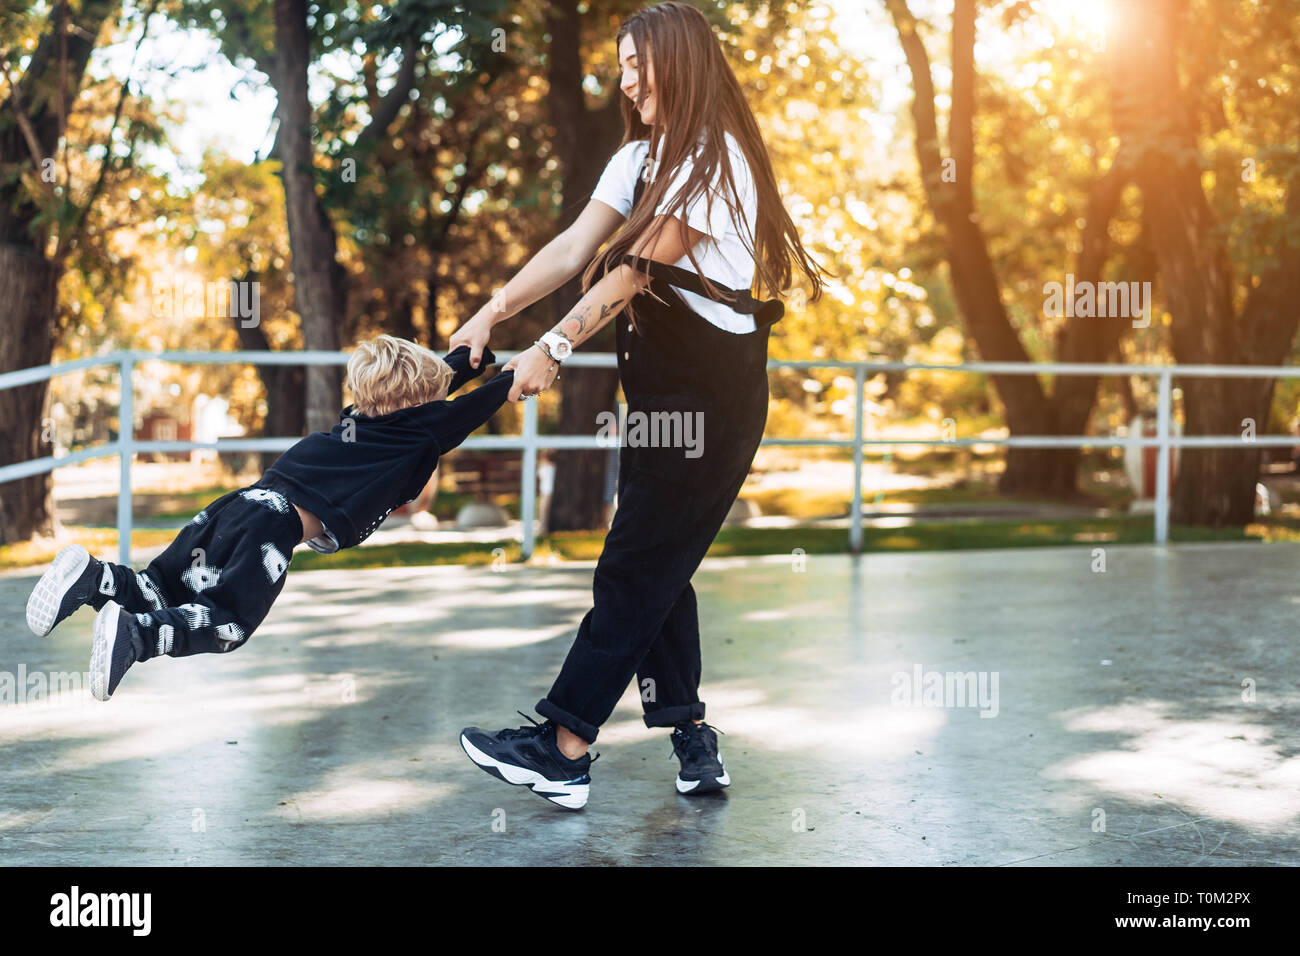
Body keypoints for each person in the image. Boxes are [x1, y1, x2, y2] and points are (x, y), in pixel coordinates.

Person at [449, 2, 829, 810]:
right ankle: (690, 733)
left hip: (713, 396)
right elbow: (575, 248)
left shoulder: (716, 159)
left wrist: (552, 347)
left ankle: (564, 746)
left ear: (678, 64)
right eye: (619, 66)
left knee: (634, 565)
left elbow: (636, 271)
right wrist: (493, 310)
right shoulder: (638, 159)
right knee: (662, 561)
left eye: (636, 65)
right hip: (658, 392)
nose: (625, 82)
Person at [24, 336, 517, 701]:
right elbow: (465, 408)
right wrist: (526, 366)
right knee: (228, 621)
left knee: (161, 587)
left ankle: (96, 579)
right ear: (419, 404)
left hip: (237, 505)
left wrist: (469, 358)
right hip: (273, 530)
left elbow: (427, 388)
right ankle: (136, 636)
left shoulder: (358, 417)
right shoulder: (416, 437)